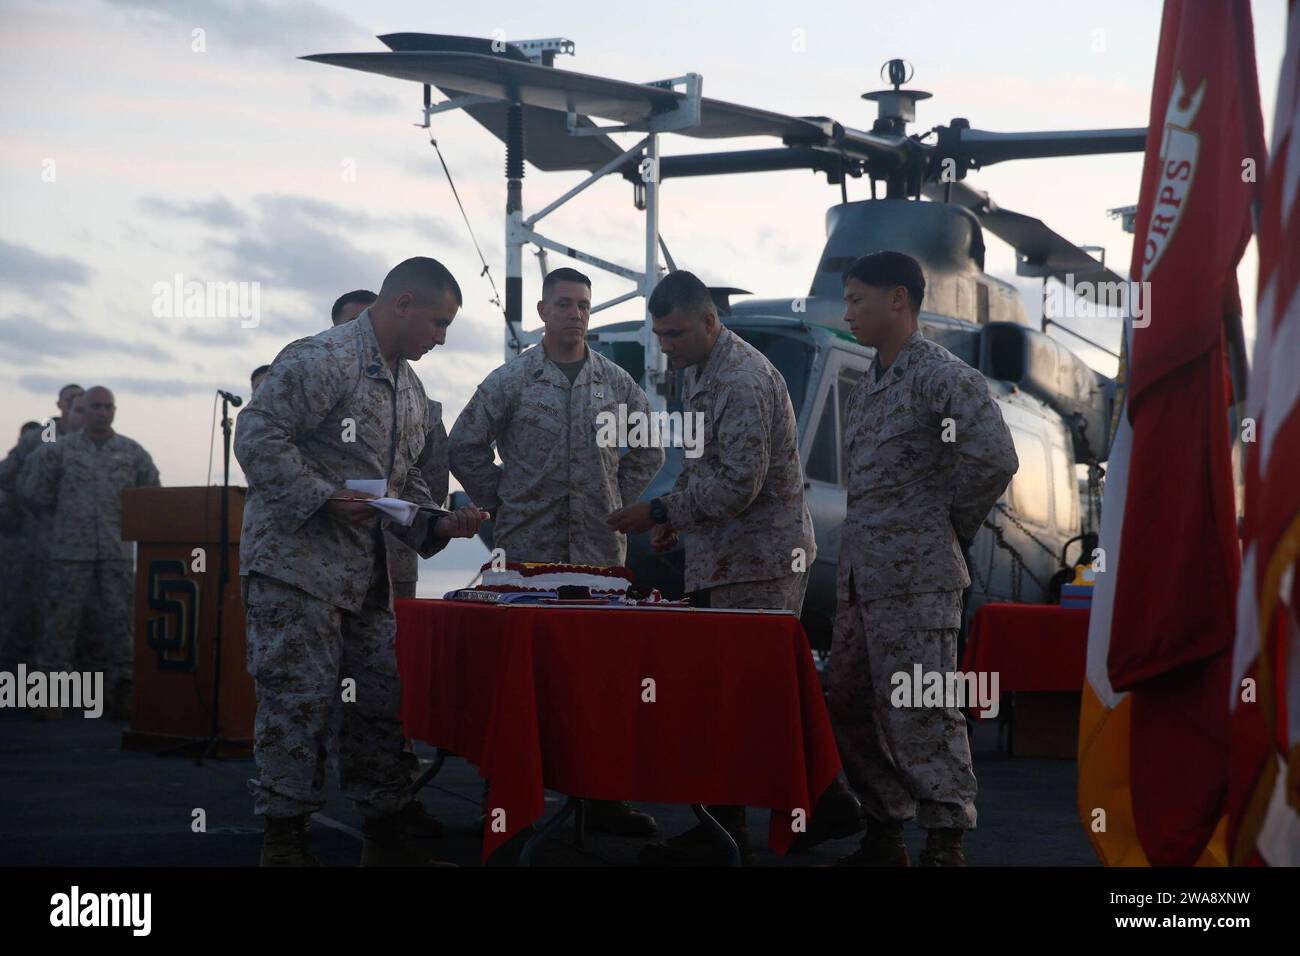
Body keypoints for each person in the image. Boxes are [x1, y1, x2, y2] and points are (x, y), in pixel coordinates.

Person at [235, 257, 485, 867]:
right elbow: (257, 435)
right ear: (401, 303)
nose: (442, 338)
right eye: (438, 322)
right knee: (298, 702)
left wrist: (437, 522)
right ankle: (285, 837)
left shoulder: (411, 388)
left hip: (368, 578)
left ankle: (385, 827)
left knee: (376, 705)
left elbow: (395, 485)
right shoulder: (322, 359)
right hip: (297, 571)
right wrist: (321, 499)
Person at [607, 269, 817, 865]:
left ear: (708, 320)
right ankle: (728, 825)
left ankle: (809, 810)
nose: (666, 346)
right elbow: (709, 472)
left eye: (674, 334)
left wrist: (658, 509)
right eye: (660, 336)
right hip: (725, 561)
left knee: (743, 703)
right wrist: (679, 521)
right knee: (720, 701)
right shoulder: (703, 374)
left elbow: (738, 487)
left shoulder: (742, 379)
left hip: (760, 563)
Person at [449, 267, 665, 838]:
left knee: (599, 678)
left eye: (583, 306)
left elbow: (649, 449)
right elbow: (465, 444)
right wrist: (504, 497)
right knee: (520, 675)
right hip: (527, 554)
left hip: (598, 556)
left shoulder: (617, 384)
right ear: (543, 312)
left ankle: (602, 797)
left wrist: (617, 498)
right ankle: (505, 794)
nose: (575, 313)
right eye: (564, 304)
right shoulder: (511, 381)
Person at [825, 251, 1017, 867]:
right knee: (849, 702)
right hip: (862, 580)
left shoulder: (942, 376)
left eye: (858, 299)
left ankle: (944, 839)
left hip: (919, 582)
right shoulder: (869, 383)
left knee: (920, 709)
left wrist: (946, 524)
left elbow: (993, 456)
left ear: (898, 300)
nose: (848, 311)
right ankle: (884, 829)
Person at [18, 387, 159, 720]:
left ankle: (122, 691)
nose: (101, 412)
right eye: (94, 407)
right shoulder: (59, 450)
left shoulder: (132, 452)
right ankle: (48, 696)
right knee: (60, 624)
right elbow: (35, 493)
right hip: (70, 549)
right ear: (83, 410)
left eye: (107, 407)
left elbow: (151, 496)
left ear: (115, 410)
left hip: (115, 551)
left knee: (121, 623)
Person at [327, 288, 449, 599]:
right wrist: (326, 499)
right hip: (318, 564)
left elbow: (427, 483)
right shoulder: (315, 376)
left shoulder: (419, 403)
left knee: (395, 646)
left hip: (391, 561)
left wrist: (437, 522)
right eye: (353, 325)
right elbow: (265, 446)